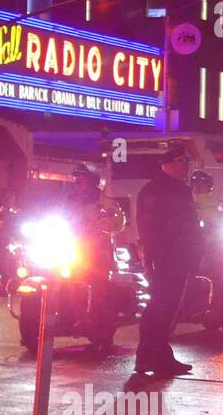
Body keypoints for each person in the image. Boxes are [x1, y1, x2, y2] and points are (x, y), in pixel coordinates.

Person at [134, 143, 203, 377]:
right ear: (171, 165)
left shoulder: (164, 189)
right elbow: (157, 228)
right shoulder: (164, 191)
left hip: (172, 257)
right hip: (168, 258)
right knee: (161, 307)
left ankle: (158, 355)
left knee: (166, 308)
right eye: (183, 162)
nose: (186, 167)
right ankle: (148, 356)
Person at [61, 163, 126, 351]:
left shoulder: (103, 201)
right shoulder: (68, 199)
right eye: (76, 177)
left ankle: (102, 326)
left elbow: (119, 220)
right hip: (70, 246)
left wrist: (104, 225)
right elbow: (57, 216)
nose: (77, 180)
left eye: (82, 177)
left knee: (99, 286)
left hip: (95, 249)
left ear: (91, 180)